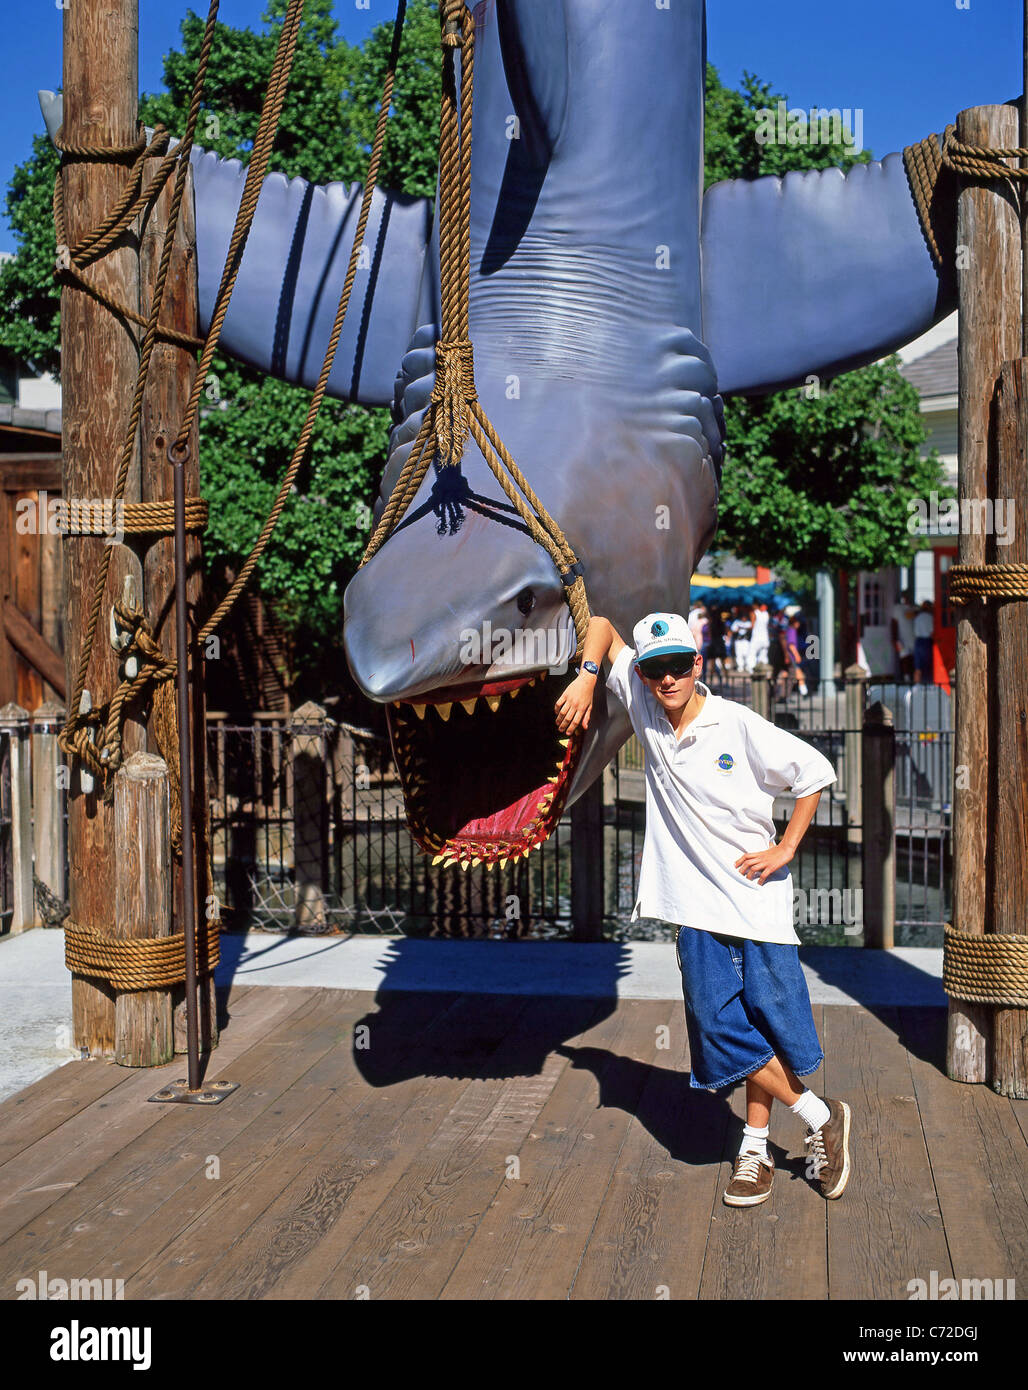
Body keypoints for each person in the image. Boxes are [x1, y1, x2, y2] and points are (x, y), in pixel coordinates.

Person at [554, 613, 851, 1208]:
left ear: (698, 665)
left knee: (763, 1024)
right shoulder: (642, 703)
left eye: (677, 666)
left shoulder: (736, 723)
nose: (666, 679)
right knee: (718, 1026)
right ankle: (821, 1115)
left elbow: (814, 772)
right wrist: (587, 677)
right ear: (642, 673)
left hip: (755, 900)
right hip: (696, 905)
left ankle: (755, 1147)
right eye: (654, 668)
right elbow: (603, 623)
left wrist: (785, 848)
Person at [890, 589, 916, 681]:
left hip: (913, 638)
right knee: (904, 660)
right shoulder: (898, 608)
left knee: (913, 660)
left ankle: (913, 679)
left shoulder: (914, 609)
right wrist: (894, 639)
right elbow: (894, 624)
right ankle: (906, 679)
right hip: (902, 639)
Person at [913, 600, 935, 685]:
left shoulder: (917, 617)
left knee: (918, 667)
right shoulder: (931, 617)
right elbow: (932, 632)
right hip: (927, 642)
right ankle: (929, 685)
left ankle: (917, 686)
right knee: (929, 667)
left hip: (918, 641)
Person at [750, 601, 770, 667]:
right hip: (765, 638)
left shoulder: (754, 613)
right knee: (763, 656)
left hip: (757, 638)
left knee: (752, 654)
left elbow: (752, 626)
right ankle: (762, 671)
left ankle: (753, 670)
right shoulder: (767, 614)